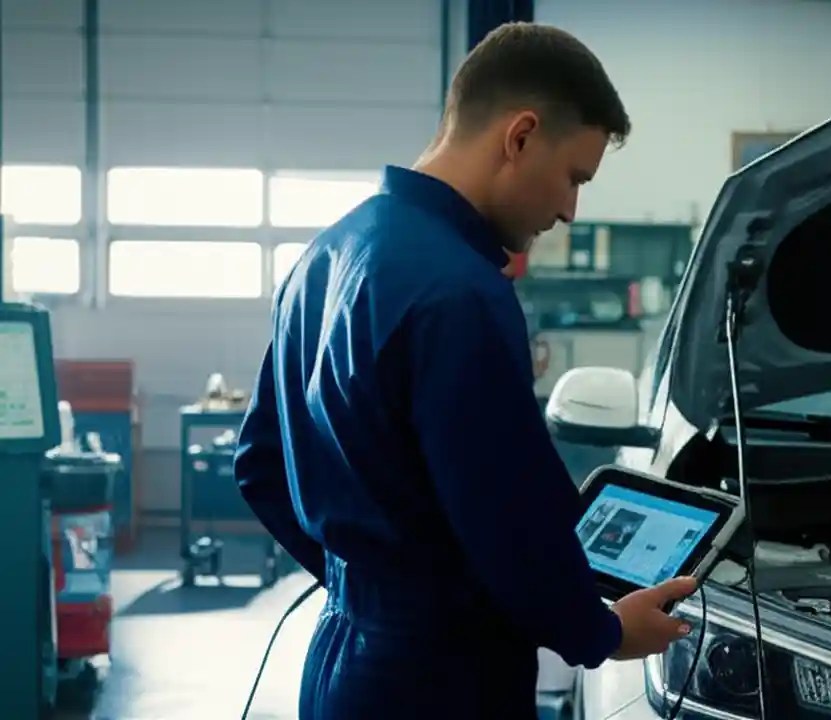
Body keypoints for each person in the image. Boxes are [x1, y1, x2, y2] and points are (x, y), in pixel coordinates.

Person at [233, 21, 695, 720]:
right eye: (574, 177)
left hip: (341, 664)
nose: (571, 209)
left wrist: (365, 584)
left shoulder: (326, 255)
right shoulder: (462, 293)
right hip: (438, 681)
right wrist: (604, 633)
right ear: (520, 136)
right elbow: (508, 522)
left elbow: (259, 465)